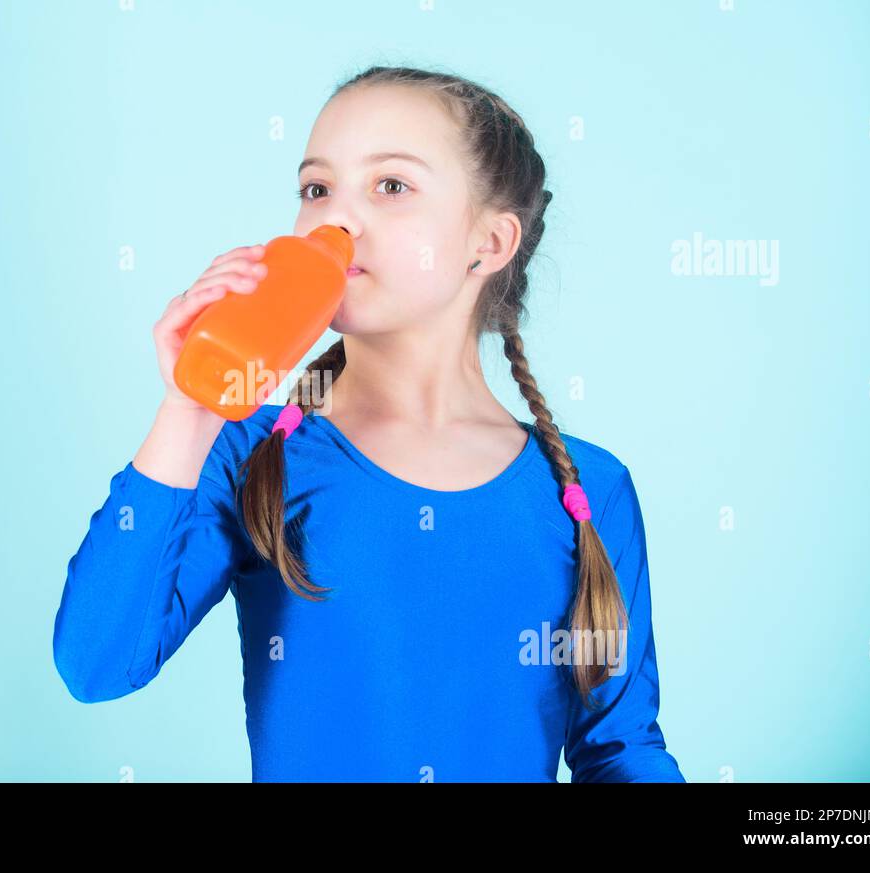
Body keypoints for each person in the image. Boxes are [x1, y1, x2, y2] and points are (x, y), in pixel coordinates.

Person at [53, 65, 685, 783]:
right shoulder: (248, 450)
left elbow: (621, 750)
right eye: (316, 189)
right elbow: (97, 661)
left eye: (391, 186)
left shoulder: (587, 488)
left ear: (490, 242)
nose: (336, 220)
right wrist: (190, 408)